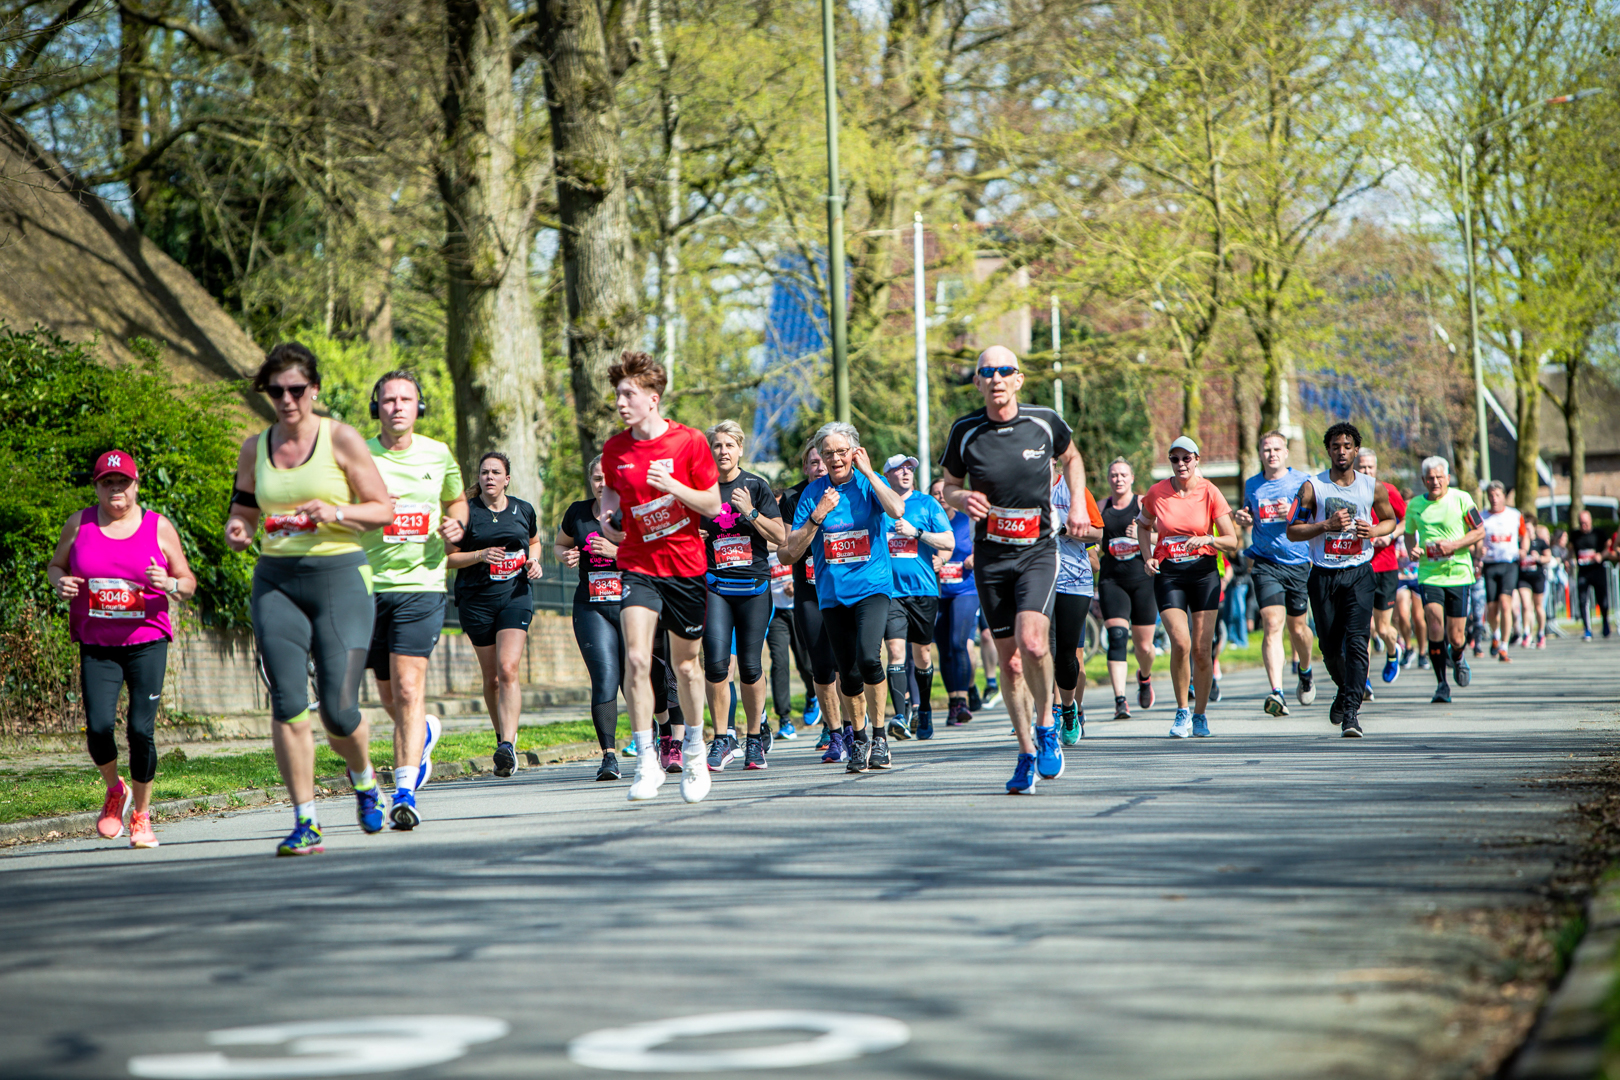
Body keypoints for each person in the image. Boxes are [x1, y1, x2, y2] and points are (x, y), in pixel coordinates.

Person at [225, 343, 395, 856]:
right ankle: (306, 821)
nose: (286, 399)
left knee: (339, 712)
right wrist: (239, 529)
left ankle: (364, 779)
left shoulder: (340, 438)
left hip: (339, 579)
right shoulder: (255, 448)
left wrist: (337, 512)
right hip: (276, 581)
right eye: (276, 391)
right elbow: (244, 510)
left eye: (296, 389)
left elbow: (382, 509)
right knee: (287, 703)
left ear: (313, 390)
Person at [940, 346, 1087, 794]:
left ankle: (1047, 726)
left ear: (1018, 379)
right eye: (988, 371)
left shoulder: (1043, 421)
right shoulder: (965, 431)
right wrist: (962, 498)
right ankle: (1025, 753)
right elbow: (949, 485)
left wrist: (1078, 504)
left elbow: (1072, 458)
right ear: (978, 382)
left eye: (1005, 370)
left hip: (1037, 550)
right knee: (1010, 660)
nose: (997, 378)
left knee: (1034, 643)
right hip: (991, 556)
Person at [47, 450, 197, 849]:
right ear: (96, 487)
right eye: (107, 482)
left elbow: (187, 582)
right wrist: (59, 582)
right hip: (97, 644)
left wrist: (169, 583)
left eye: (123, 482)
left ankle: (142, 815)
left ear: (136, 485)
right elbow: (55, 566)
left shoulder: (157, 527)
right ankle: (116, 789)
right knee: (98, 727)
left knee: (140, 730)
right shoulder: (79, 524)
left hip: (146, 642)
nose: (116, 489)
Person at [598, 352, 723, 803]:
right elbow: (610, 495)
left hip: (685, 567)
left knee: (686, 666)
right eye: (617, 395)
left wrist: (674, 487)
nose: (620, 402)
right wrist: (608, 517)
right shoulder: (615, 450)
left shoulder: (689, 442)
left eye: (628, 394)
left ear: (653, 398)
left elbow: (712, 505)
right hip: (638, 564)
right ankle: (646, 761)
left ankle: (694, 751)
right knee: (636, 659)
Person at [361, 371, 467, 829]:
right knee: (388, 693)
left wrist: (458, 525)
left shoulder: (437, 453)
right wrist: (370, 506)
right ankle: (422, 732)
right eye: (389, 400)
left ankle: (404, 791)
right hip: (367, 585)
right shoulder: (358, 455)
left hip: (423, 583)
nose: (398, 406)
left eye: (406, 399)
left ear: (418, 407)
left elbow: (457, 501)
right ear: (377, 407)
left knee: (408, 688)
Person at [780, 421, 907, 772]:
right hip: (833, 594)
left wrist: (870, 473)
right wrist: (817, 515)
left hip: (872, 588)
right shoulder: (812, 494)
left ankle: (880, 737)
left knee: (869, 658)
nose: (835, 459)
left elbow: (897, 510)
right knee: (848, 673)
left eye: (841, 451)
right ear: (820, 457)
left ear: (854, 452)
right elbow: (788, 554)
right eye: (828, 453)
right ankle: (860, 739)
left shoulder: (868, 483)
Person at [1285, 423, 1399, 737]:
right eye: (1336, 446)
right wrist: (1325, 525)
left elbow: (1390, 520)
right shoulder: (1312, 487)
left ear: (1356, 450)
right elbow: (1292, 531)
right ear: (1328, 450)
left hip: (1359, 572)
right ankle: (1345, 690)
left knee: (1358, 642)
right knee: (1330, 647)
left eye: (1347, 446)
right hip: (1323, 574)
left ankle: (1351, 713)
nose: (1342, 451)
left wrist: (1373, 531)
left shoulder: (1372, 487)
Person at [444, 452, 542, 778]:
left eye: (496, 472)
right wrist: (480, 555)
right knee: (493, 678)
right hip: (476, 600)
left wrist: (534, 560)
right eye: (484, 472)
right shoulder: (466, 513)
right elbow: (448, 558)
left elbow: (534, 542)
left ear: (507, 479)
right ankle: (501, 739)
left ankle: (509, 745)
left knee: (508, 668)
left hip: (515, 596)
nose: (489, 477)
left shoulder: (523, 509)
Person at [697, 421, 785, 772]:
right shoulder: (700, 489)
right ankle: (721, 739)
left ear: (740, 450)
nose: (723, 451)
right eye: (717, 446)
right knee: (716, 664)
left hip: (753, 588)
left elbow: (780, 536)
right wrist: (694, 537)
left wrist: (750, 511)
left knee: (750, 667)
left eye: (729, 445)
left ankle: (753, 740)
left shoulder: (756, 485)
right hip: (715, 586)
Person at [1138, 436, 1237, 738]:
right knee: (1180, 644)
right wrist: (1146, 556)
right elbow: (1143, 525)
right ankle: (1182, 711)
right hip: (1169, 574)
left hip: (1203, 573)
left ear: (1196, 460)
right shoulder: (1157, 492)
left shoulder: (1210, 491)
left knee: (1201, 650)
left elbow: (1232, 541)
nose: (1181, 464)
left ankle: (1200, 714)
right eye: (1174, 459)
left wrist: (1208, 538)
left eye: (1186, 458)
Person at [556, 455, 631, 781]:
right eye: (597, 478)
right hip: (592, 606)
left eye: (608, 478)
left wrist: (617, 553)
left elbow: (654, 555)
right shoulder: (577, 512)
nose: (603, 484)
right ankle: (609, 756)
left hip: (632, 604)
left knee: (638, 676)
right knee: (605, 677)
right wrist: (566, 555)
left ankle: (658, 739)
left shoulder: (633, 511)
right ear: (590, 481)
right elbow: (559, 544)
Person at [1232, 430, 1315, 718]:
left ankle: (1305, 669)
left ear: (1286, 452)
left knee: (1298, 629)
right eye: (1267, 449)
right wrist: (1242, 517)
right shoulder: (1252, 484)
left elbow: (1317, 517)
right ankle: (1277, 692)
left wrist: (1293, 511)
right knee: (1271, 622)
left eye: (1277, 449)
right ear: (1260, 453)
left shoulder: (1303, 481)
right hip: (1265, 561)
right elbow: (1248, 513)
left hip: (1298, 561)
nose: (1272, 454)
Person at [779, 441, 845, 757]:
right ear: (805, 467)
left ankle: (850, 726)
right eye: (813, 462)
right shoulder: (793, 498)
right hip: (808, 588)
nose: (820, 466)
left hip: (843, 586)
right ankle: (832, 728)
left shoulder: (846, 489)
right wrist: (816, 517)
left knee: (845, 663)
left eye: (824, 460)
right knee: (819, 663)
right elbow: (787, 546)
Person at [880, 454, 953, 742]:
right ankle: (900, 715)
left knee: (922, 655)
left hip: (923, 590)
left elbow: (948, 541)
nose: (906, 472)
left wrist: (917, 533)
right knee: (895, 651)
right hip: (890, 592)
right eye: (899, 468)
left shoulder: (927, 504)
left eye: (909, 468)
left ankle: (924, 710)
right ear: (887, 475)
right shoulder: (879, 504)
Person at [1404, 457, 1485, 703]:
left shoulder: (1462, 499)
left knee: (1457, 637)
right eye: (1430, 478)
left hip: (1459, 572)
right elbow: (1409, 534)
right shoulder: (1415, 505)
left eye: (1440, 477)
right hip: (1430, 574)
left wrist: (1454, 545)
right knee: (1435, 625)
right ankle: (1441, 685)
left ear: (1448, 478)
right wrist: (1412, 549)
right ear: (1423, 480)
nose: (1435, 482)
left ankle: (1457, 655)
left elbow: (1479, 530)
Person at [1096, 458, 1159, 720]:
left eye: (1123, 474)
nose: (1118, 479)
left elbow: (1165, 534)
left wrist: (1143, 536)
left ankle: (1144, 677)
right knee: (1117, 636)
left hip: (1143, 580)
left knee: (1143, 647)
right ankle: (1120, 700)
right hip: (1112, 581)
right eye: (1114, 475)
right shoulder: (1101, 507)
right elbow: (1092, 542)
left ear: (1132, 478)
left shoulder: (1144, 503)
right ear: (1108, 479)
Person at [1049, 462, 1104, 744]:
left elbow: (1097, 533)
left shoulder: (1074, 490)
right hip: (1039, 581)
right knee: (1040, 651)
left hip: (1074, 580)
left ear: (1054, 460)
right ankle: (1046, 716)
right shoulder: (1023, 491)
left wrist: (1062, 529)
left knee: (1066, 656)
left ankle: (1069, 708)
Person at [930, 476, 980, 731]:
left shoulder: (966, 521)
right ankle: (953, 703)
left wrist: (975, 557)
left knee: (959, 643)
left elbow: (984, 546)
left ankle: (963, 700)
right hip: (937, 592)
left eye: (944, 492)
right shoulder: (927, 523)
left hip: (965, 590)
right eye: (935, 493)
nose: (941, 497)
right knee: (944, 649)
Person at [1355, 447, 1407, 691]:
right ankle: (1363, 681)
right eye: (1362, 467)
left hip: (1385, 567)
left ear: (1376, 468)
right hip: (1358, 567)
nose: (1366, 471)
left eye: (1370, 467)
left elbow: (1406, 521)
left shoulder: (1388, 490)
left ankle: (1392, 650)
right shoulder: (1348, 493)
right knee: (1362, 628)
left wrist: (1390, 536)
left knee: (1383, 628)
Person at [1478, 480, 1529, 662]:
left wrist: (1524, 549)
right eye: (1491, 495)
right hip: (1490, 565)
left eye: (1497, 495)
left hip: (1509, 564)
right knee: (1492, 609)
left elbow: (1525, 535)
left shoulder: (1514, 515)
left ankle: (1504, 647)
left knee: (1506, 604)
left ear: (1504, 497)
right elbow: (1476, 538)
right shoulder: (1482, 516)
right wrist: (1479, 550)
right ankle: (1496, 634)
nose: (1494, 499)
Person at [764, 548, 803, 738]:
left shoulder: (794, 535)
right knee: (780, 662)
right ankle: (784, 719)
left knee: (806, 664)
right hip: (775, 612)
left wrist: (797, 584)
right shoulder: (761, 536)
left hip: (800, 607)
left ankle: (813, 697)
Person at [1568, 509, 1611, 640]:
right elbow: (1570, 550)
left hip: (1597, 570)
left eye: (1585, 523)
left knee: (1602, 599)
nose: (1584, 526)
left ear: (1590, 521)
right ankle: (1587, 629)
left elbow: (1609, 547)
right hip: (1583, 572)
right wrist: (1569, 560)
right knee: (1582, 599)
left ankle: (1605, 622)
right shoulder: (1575, 535)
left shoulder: (1598, 533)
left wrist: (1601, 555)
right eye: (1581, 523)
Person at [1516, 523, 1552, 649]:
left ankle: (1541, 634)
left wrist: (1539, 558)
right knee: (1526, 605)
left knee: (1538, 607)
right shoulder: (1519, 543)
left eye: (1529, 529)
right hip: (1523, 578)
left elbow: (1548, 557)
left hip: (1537, 577)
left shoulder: (1541, 542)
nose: (1527, 531)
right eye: (1525, 529)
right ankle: (1526, 633)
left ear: (1534, 529)